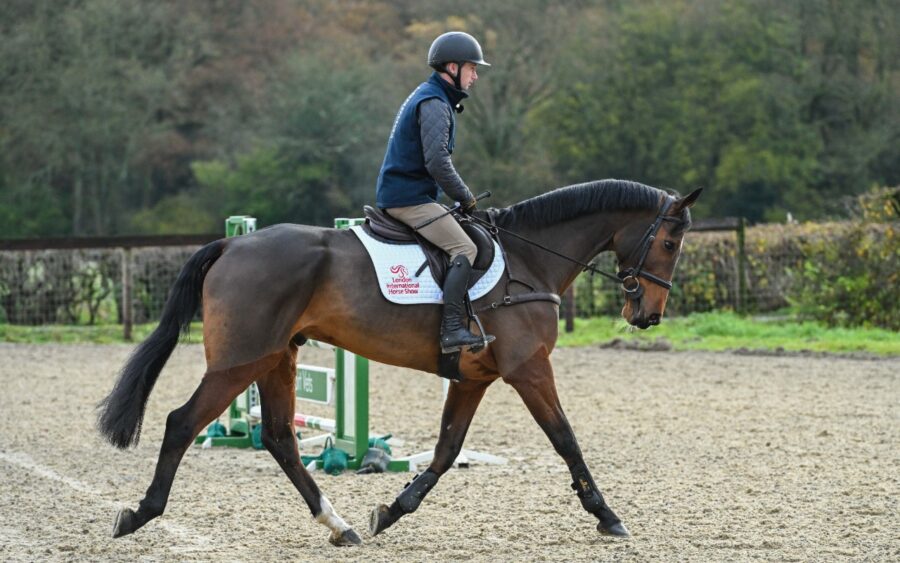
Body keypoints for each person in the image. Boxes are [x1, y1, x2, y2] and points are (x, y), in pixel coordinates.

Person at [376, 31, 494, 354]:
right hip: (408, 199)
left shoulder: (431, 96)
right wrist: (466, 196)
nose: (476, 76)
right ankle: (452, 329)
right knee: (465, 248)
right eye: (472, 68)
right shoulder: (434, 103)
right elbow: (438, 163)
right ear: (452, 68)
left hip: (409, 193)